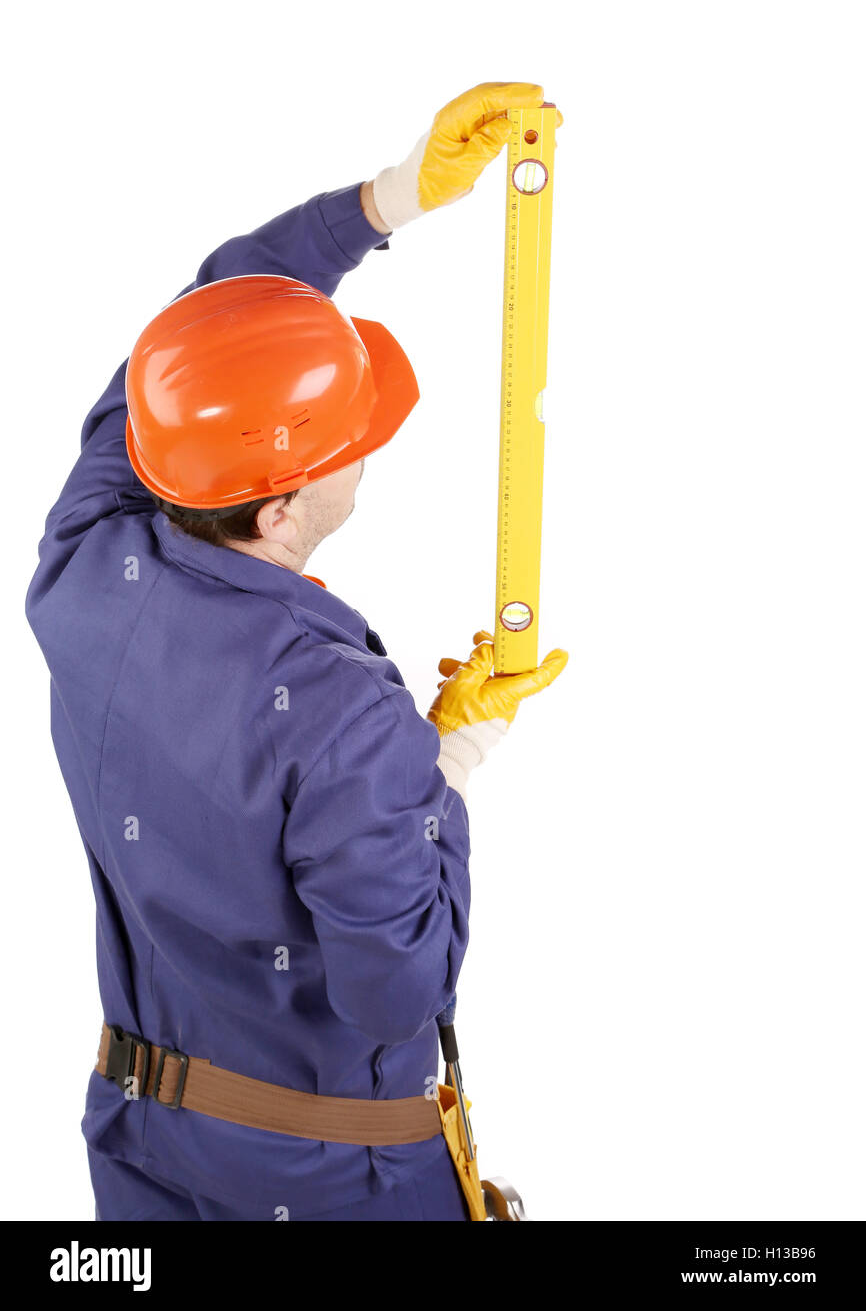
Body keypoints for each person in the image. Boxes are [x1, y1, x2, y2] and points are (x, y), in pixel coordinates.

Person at [25, 81, 567, 1222]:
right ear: (279, 512)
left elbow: (191, 344)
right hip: (337, 1185)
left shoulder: (81, 563)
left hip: (143, 1147)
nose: (366, 451)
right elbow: (397, 991)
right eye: (351, 442)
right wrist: (444, 767)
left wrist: (384, 200)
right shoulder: (342, 712)